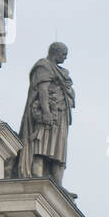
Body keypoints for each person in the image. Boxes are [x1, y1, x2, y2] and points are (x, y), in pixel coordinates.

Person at [16, 42, 75, 187]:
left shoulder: (62, 71)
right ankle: (37, 175)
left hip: (61, 115)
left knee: (59, 149)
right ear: (55, 52)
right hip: (47, 114)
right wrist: (46, 112)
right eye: (63, 54)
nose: (65, 58)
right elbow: (42, 90)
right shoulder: (44, 66)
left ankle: (58, 184)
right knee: (41, 145)